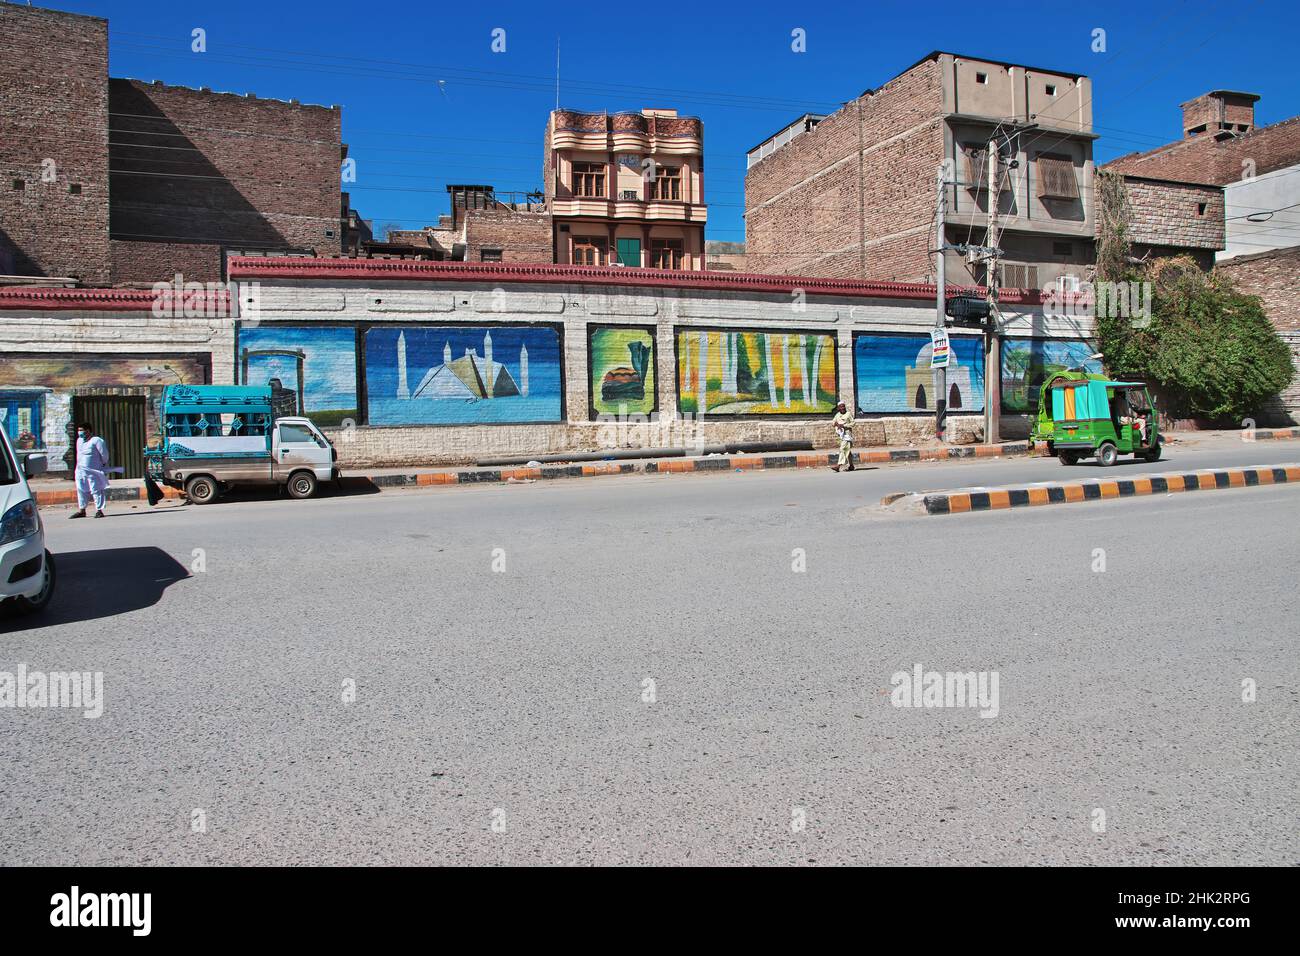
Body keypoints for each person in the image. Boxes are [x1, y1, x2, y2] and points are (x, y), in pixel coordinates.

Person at [69, 422, 110, 519]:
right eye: (79, 430)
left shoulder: (97, 441)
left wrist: (103, 464)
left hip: (93, 471)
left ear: (88, 431)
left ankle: (99, 510)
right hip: (80, 471)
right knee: (81, 490)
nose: (80, 432)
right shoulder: (79, 441)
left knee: (96, 489)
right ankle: (82, 510)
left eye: (81, 430)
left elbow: (104, 455)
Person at [831, 402, 855, 472]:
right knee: (847, 450)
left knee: (843, 449)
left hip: (847, 435)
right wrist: (836, 424)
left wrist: (844, 425)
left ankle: (838, 465)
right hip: (841, 435)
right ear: (838, 408)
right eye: (841, 407)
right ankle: (851, 465)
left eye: (843, 406)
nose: (843, 408)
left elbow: (853, 423)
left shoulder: (848, 414)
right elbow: (833, 422)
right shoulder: (837, 415)